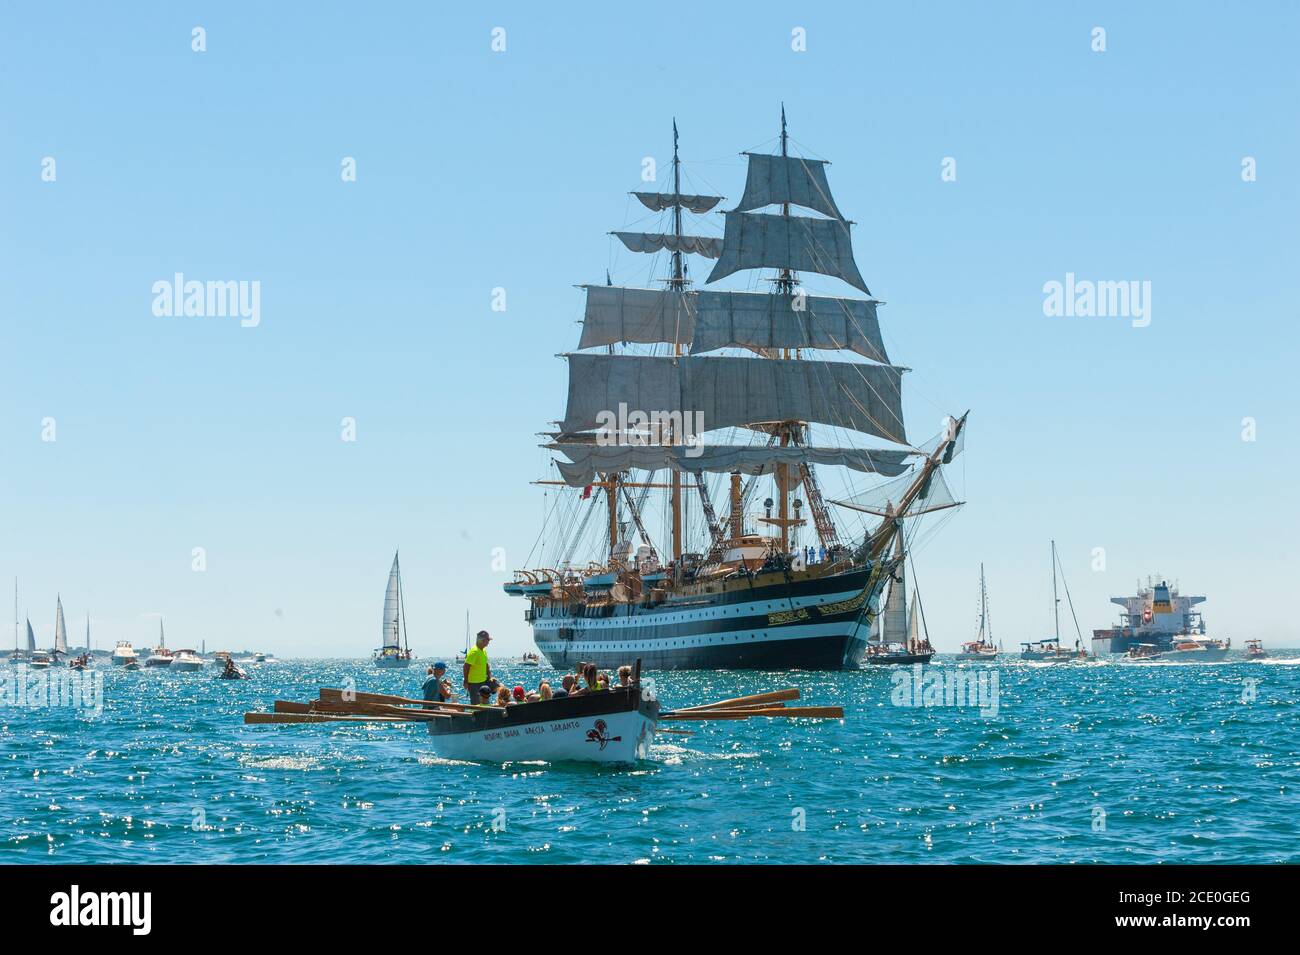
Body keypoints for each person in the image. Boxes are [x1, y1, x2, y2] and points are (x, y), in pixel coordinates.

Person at [463, 630, 492, 704]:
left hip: (483, 681)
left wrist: (489, 676)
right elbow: (466, 666)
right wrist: (466, 681)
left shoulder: (483, 650)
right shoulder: (474, 652)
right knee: (476, 704)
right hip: (474, 684)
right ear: (482, 640)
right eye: (488, 640)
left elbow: (486, 664)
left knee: (485, 703)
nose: (489, 642)